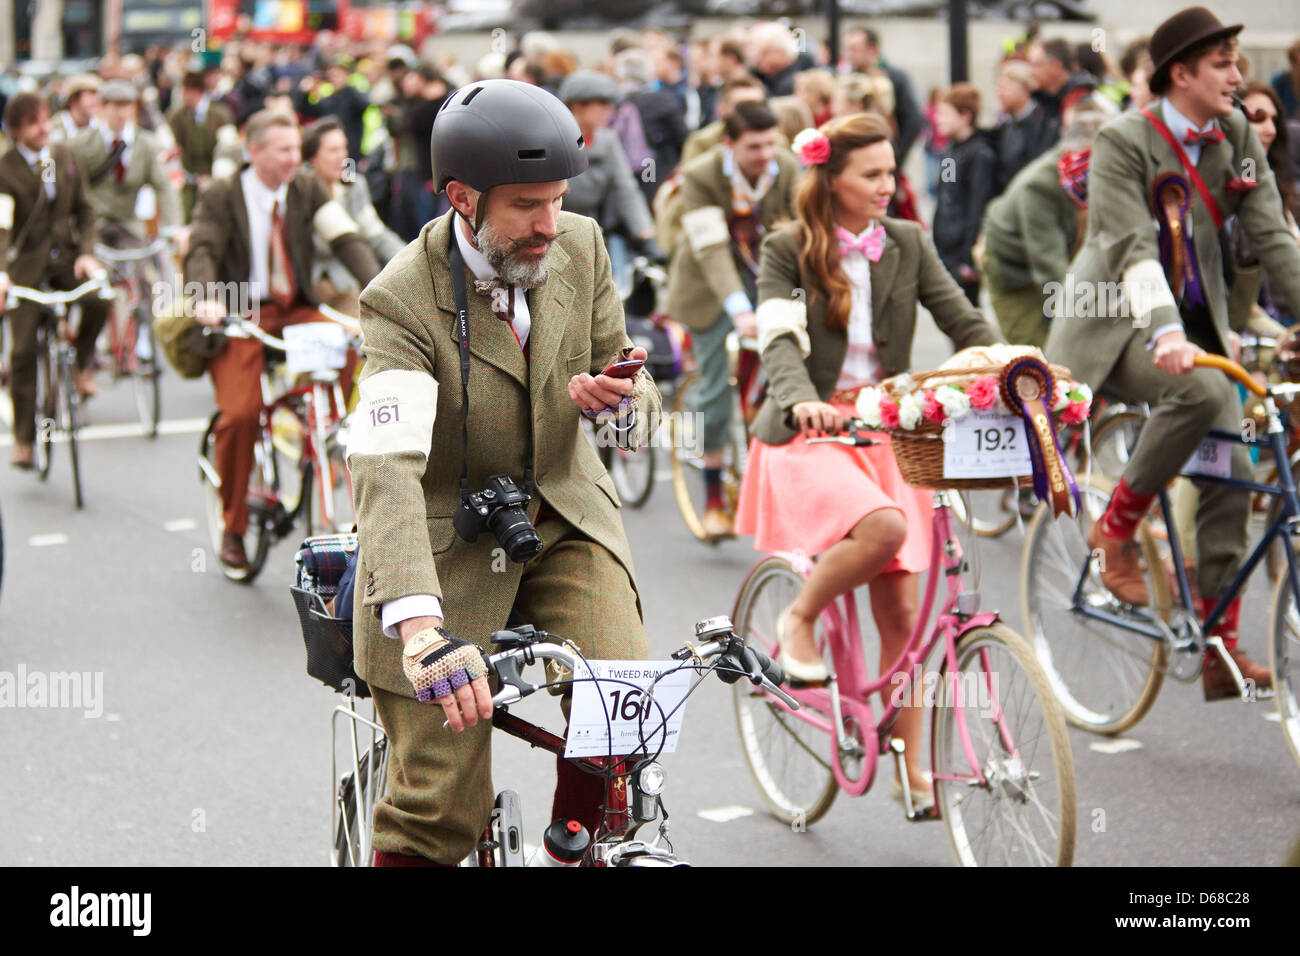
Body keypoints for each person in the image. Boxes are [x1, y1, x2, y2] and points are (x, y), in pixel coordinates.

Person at [346, 79, 662, 866]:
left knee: (622, 722)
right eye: (526, 204)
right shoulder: (398, 300)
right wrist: (421, 632)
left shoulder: (581, 246)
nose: (549, 225)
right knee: (438, 807)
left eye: (558, 198)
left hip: (562, 516)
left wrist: (617, 404)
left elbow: (636, 393)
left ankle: (573, 845)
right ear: (462, 196)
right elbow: (385, 467)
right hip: (443, 537)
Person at [734, 112, 1001, 805]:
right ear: (832, 179)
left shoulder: (908, 241)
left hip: (887, 427)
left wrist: (1011, 370)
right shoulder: (787, 246)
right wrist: (801, 403)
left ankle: (912, 765)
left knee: (904, 614)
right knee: (882, 530)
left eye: (892, 171)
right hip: (810, 429)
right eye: (873, 174)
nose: (891, 184)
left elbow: (963, 321)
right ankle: (799, 619)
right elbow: (781, 342)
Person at [1044, 7, 1300, 700]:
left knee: (1235, 465)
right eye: (1222, 65)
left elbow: (1273, 235)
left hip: (1196, 327)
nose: (1237, 76)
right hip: (1117, 323)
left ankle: (1218, 642)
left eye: (1236, 62)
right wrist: (1165, 331)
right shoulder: (1122, 140)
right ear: (1179, 74)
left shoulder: (1237, 133)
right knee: (1203, 394)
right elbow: (1131, 247)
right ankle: (1117, 528)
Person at [185, 109, 380, 574]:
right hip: (239, 312)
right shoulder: (221, 195)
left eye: (297, 148)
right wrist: (206, 298)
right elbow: (203, 249)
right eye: (285, 149)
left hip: (294, 308)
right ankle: (233, 526)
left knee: (357, 347)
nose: (296, 158)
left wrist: (380, 291)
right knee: (241, 414)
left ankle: (330, 437)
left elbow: (345, 238)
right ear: (254, 152)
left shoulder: (306, 188)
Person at [666, 99, 800, 540]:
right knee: (718, 388)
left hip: (768, 278)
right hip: (709, 287)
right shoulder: (702, 175)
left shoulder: (786, 167)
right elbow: (711, 250)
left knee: (788, 374)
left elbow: (800, 230)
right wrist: (740, 310)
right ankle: (713, 498)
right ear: (730, 144)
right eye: (754, 146)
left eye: (770, 143)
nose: (765, 154)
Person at [0, 92, 108, 466]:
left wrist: (87, 253)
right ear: (15, 130)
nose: (43, 128)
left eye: (45, 119)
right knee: (22, 351)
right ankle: (25, 441)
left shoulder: (64, 155)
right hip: (25, 271)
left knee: (100, 299)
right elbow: (2, 227)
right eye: (33, 122)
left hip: (68, 260)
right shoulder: (5, 168)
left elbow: (86, 208)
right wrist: (1, 274)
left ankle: (81, 365)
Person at [981, 105, 1108, 349]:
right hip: (1015, 277)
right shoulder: (1039, 186)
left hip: (1052, 269)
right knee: (1041, 358)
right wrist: (1084, 323)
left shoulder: (1081, 180)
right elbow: (1049, 268)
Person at [556, 71, 657, 293]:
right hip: (552, 227)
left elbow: (626, 188)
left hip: (592, 229)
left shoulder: (607, 141)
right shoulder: (554, 137)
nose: (609, 111)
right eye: (601, 103)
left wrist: (645, 233)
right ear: (577, 105)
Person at [302, 116, 405, 313]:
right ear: (312, 157)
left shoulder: (353, 186)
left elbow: (377, 235)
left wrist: (413, 260)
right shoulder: (299, 191)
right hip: (308, 287)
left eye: (344, 148)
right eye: (333, 150)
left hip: (346, 282)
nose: (342, 156)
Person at [69, 80, 183, 246]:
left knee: (139, 266)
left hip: (130, 226)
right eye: (116, 106)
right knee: (94, 269)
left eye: (127, 106)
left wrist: (173, 228)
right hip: (93, 226)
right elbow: (71, 187)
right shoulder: (82, 143)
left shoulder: (146, 145)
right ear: (102, 107)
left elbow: (163, 186)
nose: (121, 113)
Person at [932, 83, 996, 304]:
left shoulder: (980, 154)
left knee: (966, 311)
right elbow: (948, 192)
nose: (939, 120)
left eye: (945, 114)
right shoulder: (951, 151)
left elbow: (977, 206)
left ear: (965, 116)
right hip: (946, 246)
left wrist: (968, 257)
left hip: (962, 248)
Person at [840, 27, 926, 167]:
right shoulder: (848, 76)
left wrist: (895, 157)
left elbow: (913, 121)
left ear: (872, 49)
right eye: (847, 49)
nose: (848, 54)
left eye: (854, 49)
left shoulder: (896, 78)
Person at [168, 70, 238, 221]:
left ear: (196, 92)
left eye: (186, 91)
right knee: (187, 219)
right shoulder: (177, 117)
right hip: (189, 180)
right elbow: (174, 145)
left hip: (214, 180)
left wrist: (214, 176)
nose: (183, 96)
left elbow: (229, 150)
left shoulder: (221, 115)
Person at [991, 59, 1058, 194]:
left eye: (1005, 88)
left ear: (1024, 89)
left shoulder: (1045, 123)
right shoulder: (1006, 125)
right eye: (998, 88)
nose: (999, 94)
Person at [50, 74, 101, 143]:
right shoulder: (54, 127)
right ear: (74, 99)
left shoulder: (100, 126)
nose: (96, 100)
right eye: (90, 94)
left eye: (97, 95)